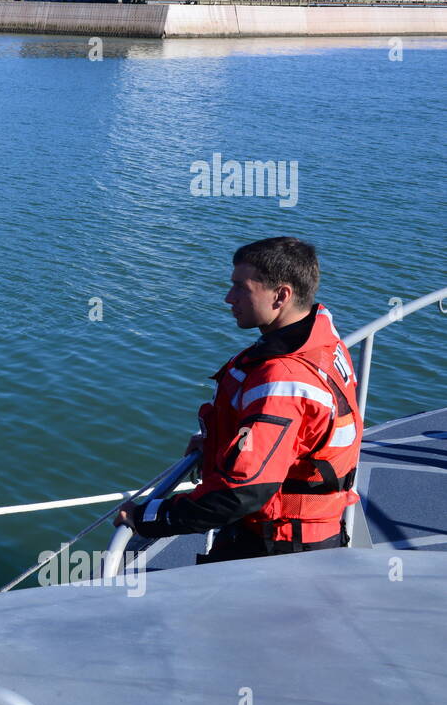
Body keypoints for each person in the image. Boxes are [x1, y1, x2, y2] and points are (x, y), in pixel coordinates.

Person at [115, 236, 363, 560]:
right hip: (307, 535)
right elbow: (296, 435)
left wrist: (146, 517)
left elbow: (240, 494)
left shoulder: (283, 380)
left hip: (276, 549)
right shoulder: (322, 342)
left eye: (240, 288)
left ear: (281, 295)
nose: (228, 298)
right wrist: (219, 444)